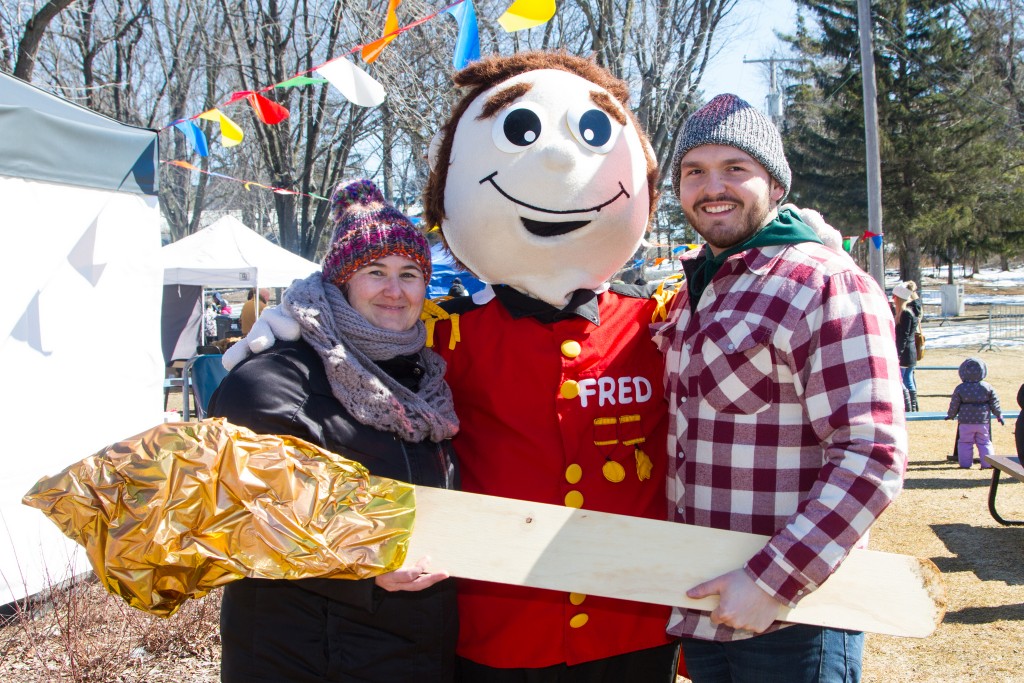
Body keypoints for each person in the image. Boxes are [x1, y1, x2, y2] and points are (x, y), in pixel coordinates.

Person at [655, 94, 907, 681]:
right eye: (694, 171)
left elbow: (872, 454)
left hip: (794, 615)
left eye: (735, 168)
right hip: (702, 602)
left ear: (774, 183)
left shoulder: (824, 282)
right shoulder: (694, 291)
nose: (712, 187)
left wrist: (773, 581)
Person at [207, 179, 461, 683]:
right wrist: (360, 566)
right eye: (375, 271)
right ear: (340, 282)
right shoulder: (274, 381)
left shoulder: (426, 383)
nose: (395, 290)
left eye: (410, 273)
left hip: (408, 652)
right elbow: (234, 518)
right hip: (305, 658)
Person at [946, 357, 1004, 469]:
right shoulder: (987, 387)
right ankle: (988, 464)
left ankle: (965, 464)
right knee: (985, 442)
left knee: (965, 443)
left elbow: (954, 404)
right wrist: (998, 414)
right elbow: (994, 402)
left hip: (965, 422)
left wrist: (951, 415)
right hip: (982, 421)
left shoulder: (960, 388)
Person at [892, 282, 920, 411]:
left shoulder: (906, 314)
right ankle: (912, 407)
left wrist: (898, 354)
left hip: (906, 353)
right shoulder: (906, 312)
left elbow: (904, 336)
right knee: (907, 379)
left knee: (905, 380)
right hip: (908, 351)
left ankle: (910, 407)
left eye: (894, 297)